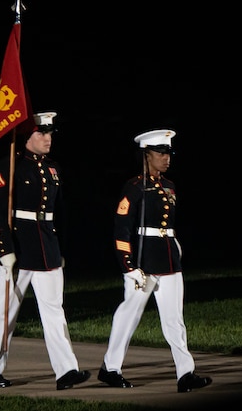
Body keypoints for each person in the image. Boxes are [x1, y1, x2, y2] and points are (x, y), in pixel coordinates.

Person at [0, 112, 91, 392]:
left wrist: (58, 248)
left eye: (50, 133)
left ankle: (66, 371)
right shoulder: (10, 166)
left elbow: (58, 212)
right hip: (19, 248)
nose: (48, 138)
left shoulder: (53, 169)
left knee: (54, 311)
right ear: (27, 137)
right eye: (42, 133)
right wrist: (4, 249)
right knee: (6, 311)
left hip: (46, 247)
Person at [97, 129, 212, 393]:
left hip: (168, 259)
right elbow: (121, 228)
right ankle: (110, 368)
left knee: (175, 320)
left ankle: (185, 373)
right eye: (161, 153)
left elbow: (167, 226)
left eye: (168, 153)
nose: (166, 158)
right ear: (146, 155)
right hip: (143, 261)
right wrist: (128, 266)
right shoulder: (135, 187)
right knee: (129, 315)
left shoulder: (169, 186)